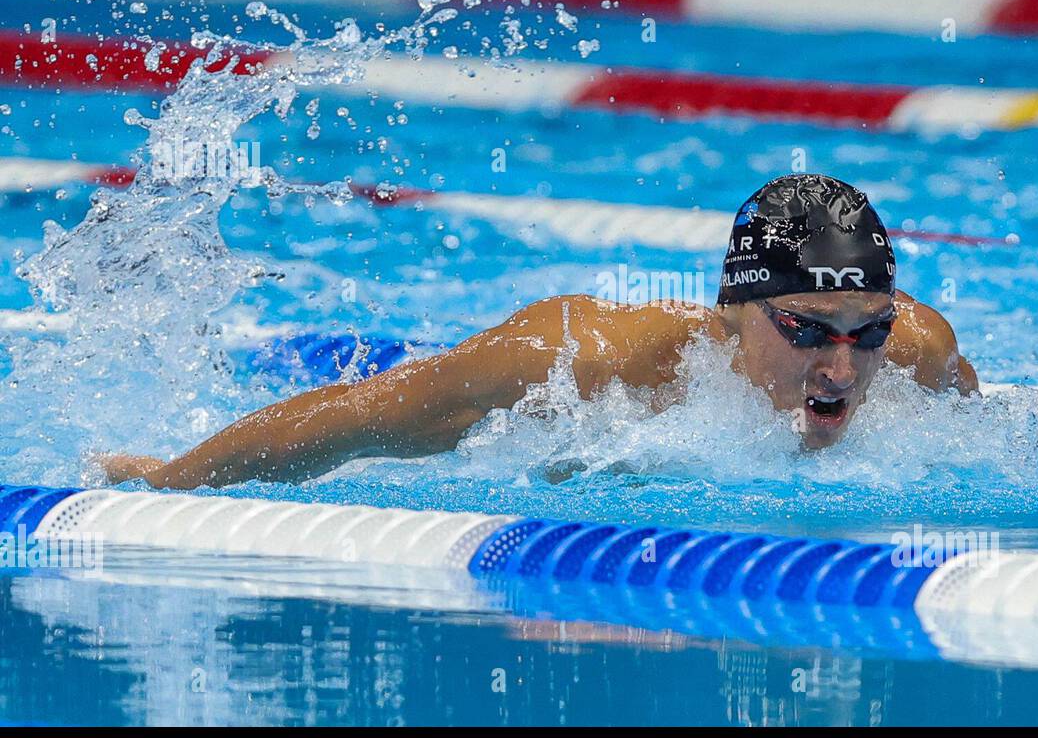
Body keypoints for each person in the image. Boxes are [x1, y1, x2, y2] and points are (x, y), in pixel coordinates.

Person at [102, 173, 977, 489]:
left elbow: (981, 434)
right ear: (736, 310)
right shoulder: (578, 362)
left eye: (867, 333)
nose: (843, 365)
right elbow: (361, 417)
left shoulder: (920, 351)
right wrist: (170, 483)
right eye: (809, 329)